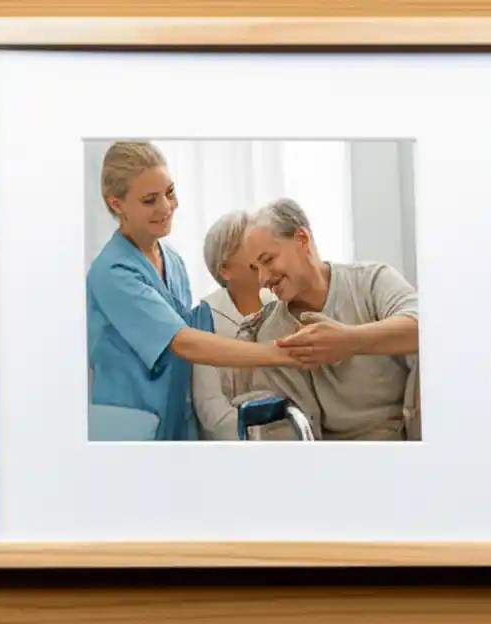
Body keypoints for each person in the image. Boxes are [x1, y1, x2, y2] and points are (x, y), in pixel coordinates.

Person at [86, 142, 304, 441]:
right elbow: (183, 343)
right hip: (129, 428)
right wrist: (278, 354)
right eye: (150, 200)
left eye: (170, 192)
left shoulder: (172, 261)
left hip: (176, 420)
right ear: (116, 204)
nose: (166, 207)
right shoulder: (112, 273)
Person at [244, 197, 421, 441]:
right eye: (255, 268)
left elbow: (424, 329)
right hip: (330, 463)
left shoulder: (371, 282)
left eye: (268, 260)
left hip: (404, 448)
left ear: (302, 240)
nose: (262, 279)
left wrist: (348, 341)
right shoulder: (270, 331)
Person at [191, 210, 278, 440]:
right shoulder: (205, 317)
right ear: (225, 269)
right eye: (247, 241)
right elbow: (211, 410)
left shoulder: (280, 306)